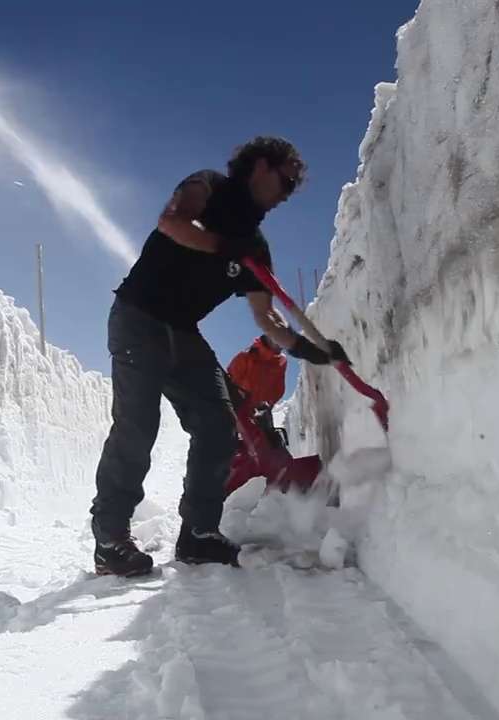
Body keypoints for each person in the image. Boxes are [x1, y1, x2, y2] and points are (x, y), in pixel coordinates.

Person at [89, 136, 347, 576]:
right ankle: (110, 540)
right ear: (260, 166)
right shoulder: (208, 188)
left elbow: (268, 319)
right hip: (138, 317)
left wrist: (309, 349)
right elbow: (172, 223)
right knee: (137, 425)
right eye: (284, 181)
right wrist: (223, 247)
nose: (285, 195)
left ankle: (199, 535)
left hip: (183, 334)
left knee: (220, 423)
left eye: (291, 189)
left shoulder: (257, 250)